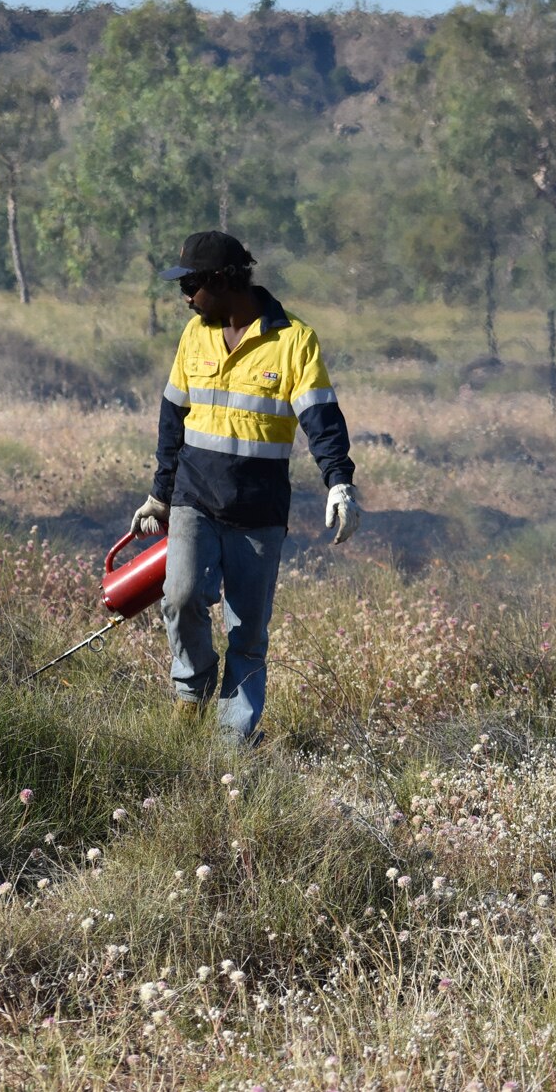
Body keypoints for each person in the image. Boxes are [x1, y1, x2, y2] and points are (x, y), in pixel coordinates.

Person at [130, 231, 360, 744]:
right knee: (182, 596)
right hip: (195, 498)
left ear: (222, 280)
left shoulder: (294, 340)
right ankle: (192, 693)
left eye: (191, 284)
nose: (185, 297)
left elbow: (321, 418)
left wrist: (338, 481)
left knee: (248, 634)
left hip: (258, 510)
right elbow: (173, 419)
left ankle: (233, 743)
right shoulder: (195, 334)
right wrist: (159, 494)